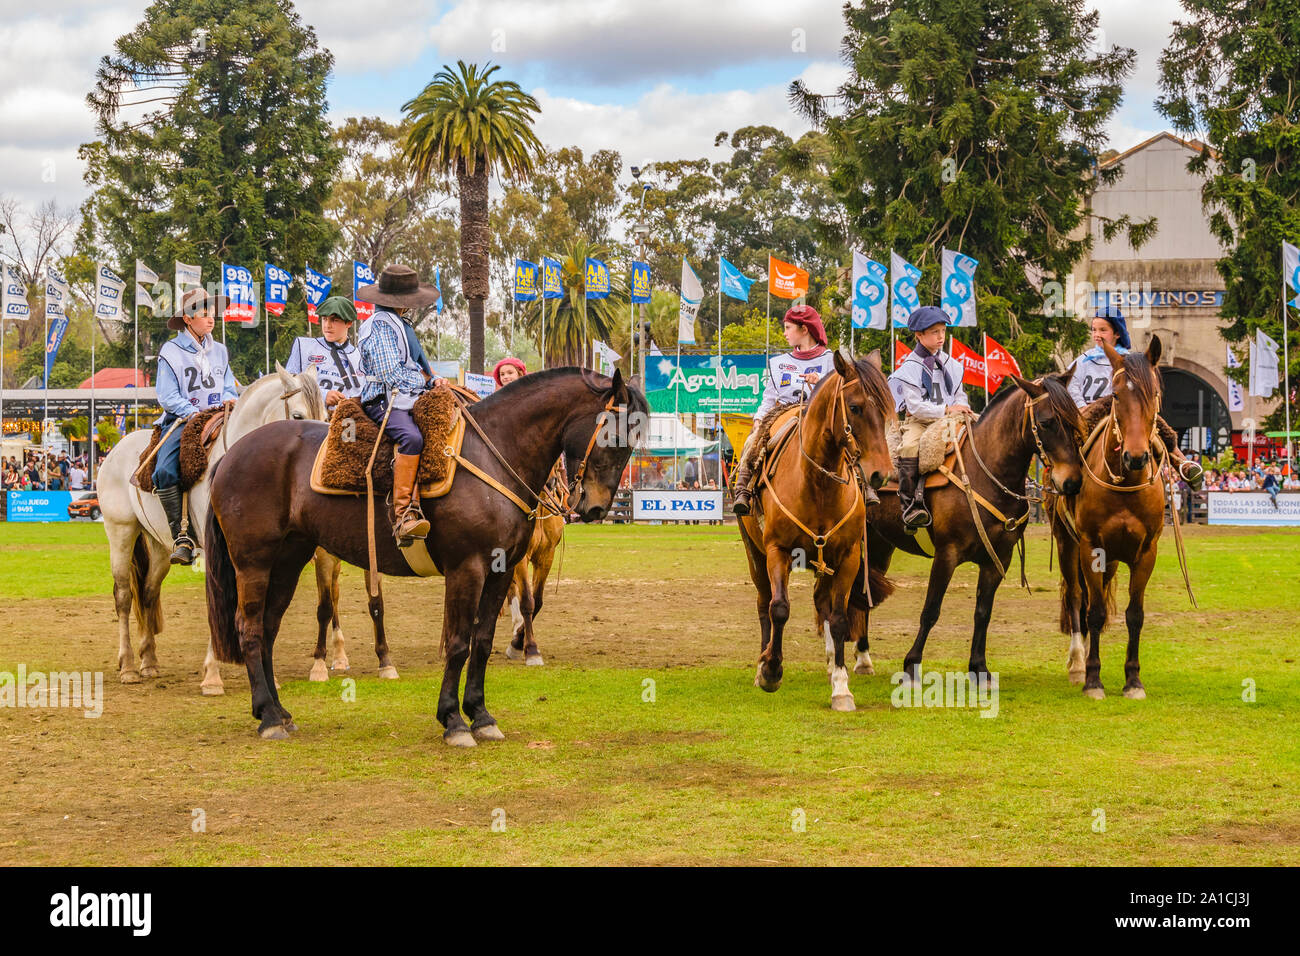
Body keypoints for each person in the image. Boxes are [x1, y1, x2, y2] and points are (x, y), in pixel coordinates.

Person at [1067, 304, 1203, 488]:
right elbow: (1071, 383)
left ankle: (1182, 463)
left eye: (1103, 330)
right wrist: (1081, 405)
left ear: (1117, 333)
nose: (1096, 335)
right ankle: (1063, 477)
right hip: (1091, 408)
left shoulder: (1130, 361)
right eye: (1094, 330)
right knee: (1071, 438)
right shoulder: (1084, 359)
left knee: (1158, 428)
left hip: (1122, 409)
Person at [152, 287, 240, 565]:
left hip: (221, 417)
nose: (210, 318)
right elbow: (167, 396)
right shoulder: (170, 350)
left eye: (212, 312)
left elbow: (229, 386)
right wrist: (194, 413)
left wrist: (229, 400)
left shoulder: (221, 351)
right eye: (203, 313)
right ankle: (182, 536)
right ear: (188, 319)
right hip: (182, 419)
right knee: (165, 470)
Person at [355, 264, 443, 542]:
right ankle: (403, 514)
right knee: (412, 438)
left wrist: (433, 382)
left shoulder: (401, 325)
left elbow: (414, 367)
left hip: (407, 396)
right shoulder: (378, 326)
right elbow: (388, 372)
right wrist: (425, 383)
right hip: (383, 398)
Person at [731, 304, 836, 515]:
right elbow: (769, 398)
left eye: (788, 328)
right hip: (784, 414)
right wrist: (759, 419)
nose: (785, 333)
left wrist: (820, 384)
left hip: (820, 415)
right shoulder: (779, 363)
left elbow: (837, 396)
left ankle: (865, 489)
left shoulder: (831, 360)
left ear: (804, 329)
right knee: (753, 441)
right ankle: (743, 489)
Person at [888, 305, 972, 532]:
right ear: (919, 335)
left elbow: (959, 393)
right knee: (909, 446)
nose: (941, 337)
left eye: (943, 331)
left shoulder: (952, 365)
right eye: (934, 332)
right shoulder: (909, 368)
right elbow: (915, 406)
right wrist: (946, 409)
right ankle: (909, 507)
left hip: (951, 419)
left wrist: (962, 407)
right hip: (921, 420)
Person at [284, 296, 364, 411]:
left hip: (344, 422)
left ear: (349, 323)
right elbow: (288, 385)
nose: (327, 325)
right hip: (308, 419)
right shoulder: (304, 346)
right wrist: (322, 395)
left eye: (334, 320)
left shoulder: (361, 357)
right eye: (325, 319)